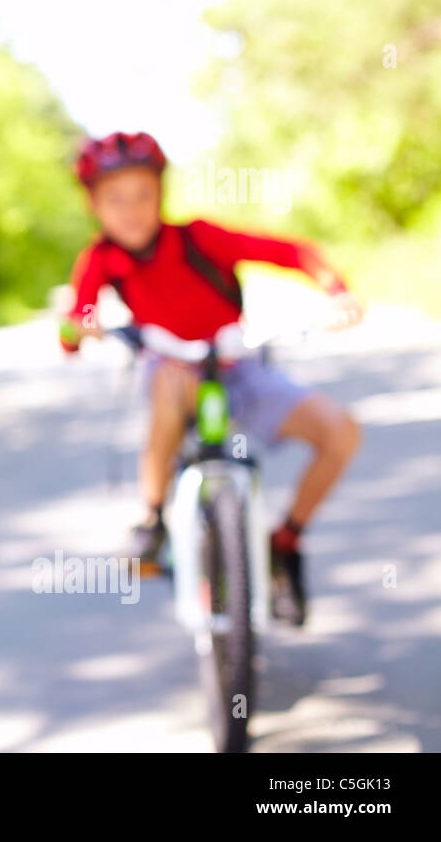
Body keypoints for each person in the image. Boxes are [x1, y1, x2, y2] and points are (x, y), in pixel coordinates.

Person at [58, 131, 362, 626]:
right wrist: (80, 327)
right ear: (93, 205)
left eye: (142, 195)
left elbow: (292, 251)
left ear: (161, 195)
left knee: (340, 432)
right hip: (172, 367)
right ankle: (153, 519)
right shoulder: (101, 259)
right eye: (115, 199)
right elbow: (77, 317)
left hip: (237, 363)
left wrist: (337, 289)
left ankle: (284, 543)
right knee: (170, 381)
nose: (131, 210)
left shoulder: (197, 238)